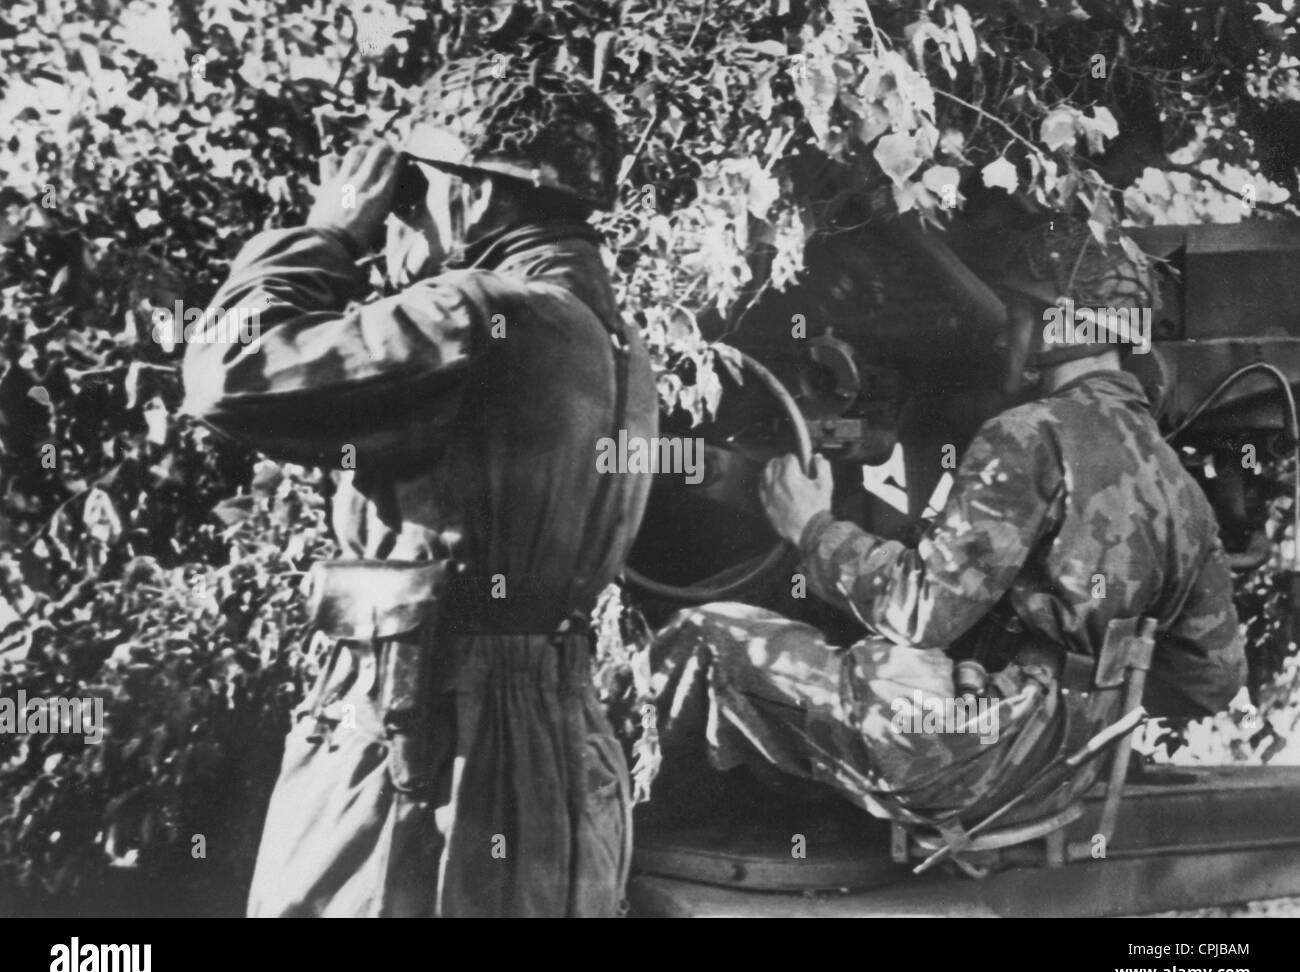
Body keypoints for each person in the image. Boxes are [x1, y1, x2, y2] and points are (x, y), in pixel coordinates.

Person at [183, 55, 656, 917]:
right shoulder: (614, 343)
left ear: (471, 196)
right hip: (557, 748)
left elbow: (228, 374)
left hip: (427, 746)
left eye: (412, 194)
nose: (400, 225)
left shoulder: (476, 316)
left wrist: (326, 237)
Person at [650, 217, 1246, 833]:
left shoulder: (1032, 434)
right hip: (1061, 776)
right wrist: (1067, 686)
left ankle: (619, 846)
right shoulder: (1178, 483)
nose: (1004, 336)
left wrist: (812, 528)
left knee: (708, 638)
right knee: (854, 658)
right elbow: (1212, 680)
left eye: (1017, 314)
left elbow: (920, 612)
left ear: (1057, 326)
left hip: (966, 753)